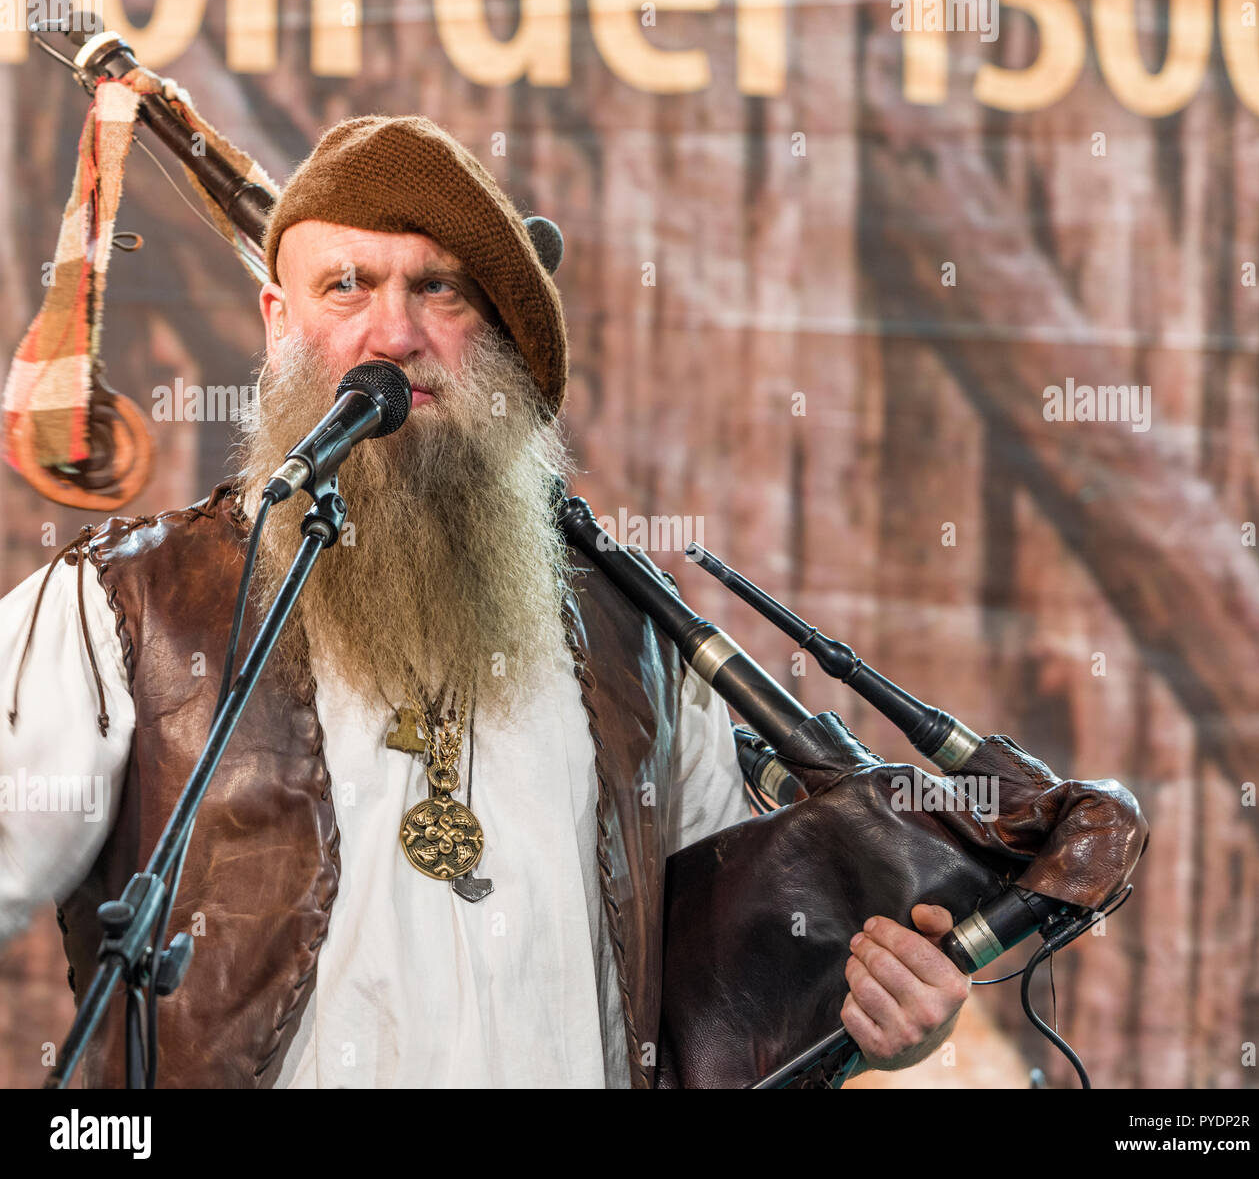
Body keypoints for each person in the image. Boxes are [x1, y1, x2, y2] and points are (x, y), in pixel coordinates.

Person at [0, 115, 968, 1088]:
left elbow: (712, 991)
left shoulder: (638, 641)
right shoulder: (118, 607)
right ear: (275, 322)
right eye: (347, 285)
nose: (394, 333)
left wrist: (870, 1015)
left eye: (439, 288)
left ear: (498, 334)